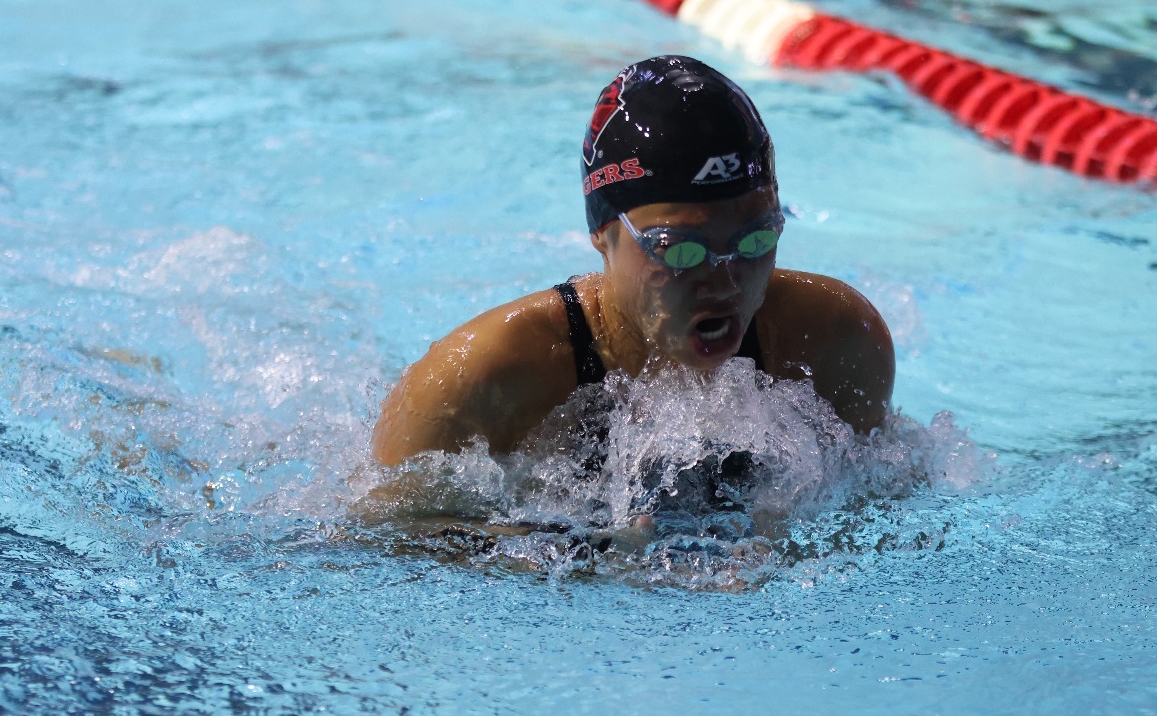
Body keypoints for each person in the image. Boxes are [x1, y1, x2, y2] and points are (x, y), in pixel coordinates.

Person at [371, 55, 894, 469]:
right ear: (603, 234)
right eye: (680, 250)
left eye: (755, 242)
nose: (725, 278)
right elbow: (386, 542)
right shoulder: (478, 381)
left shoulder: (836, 343)